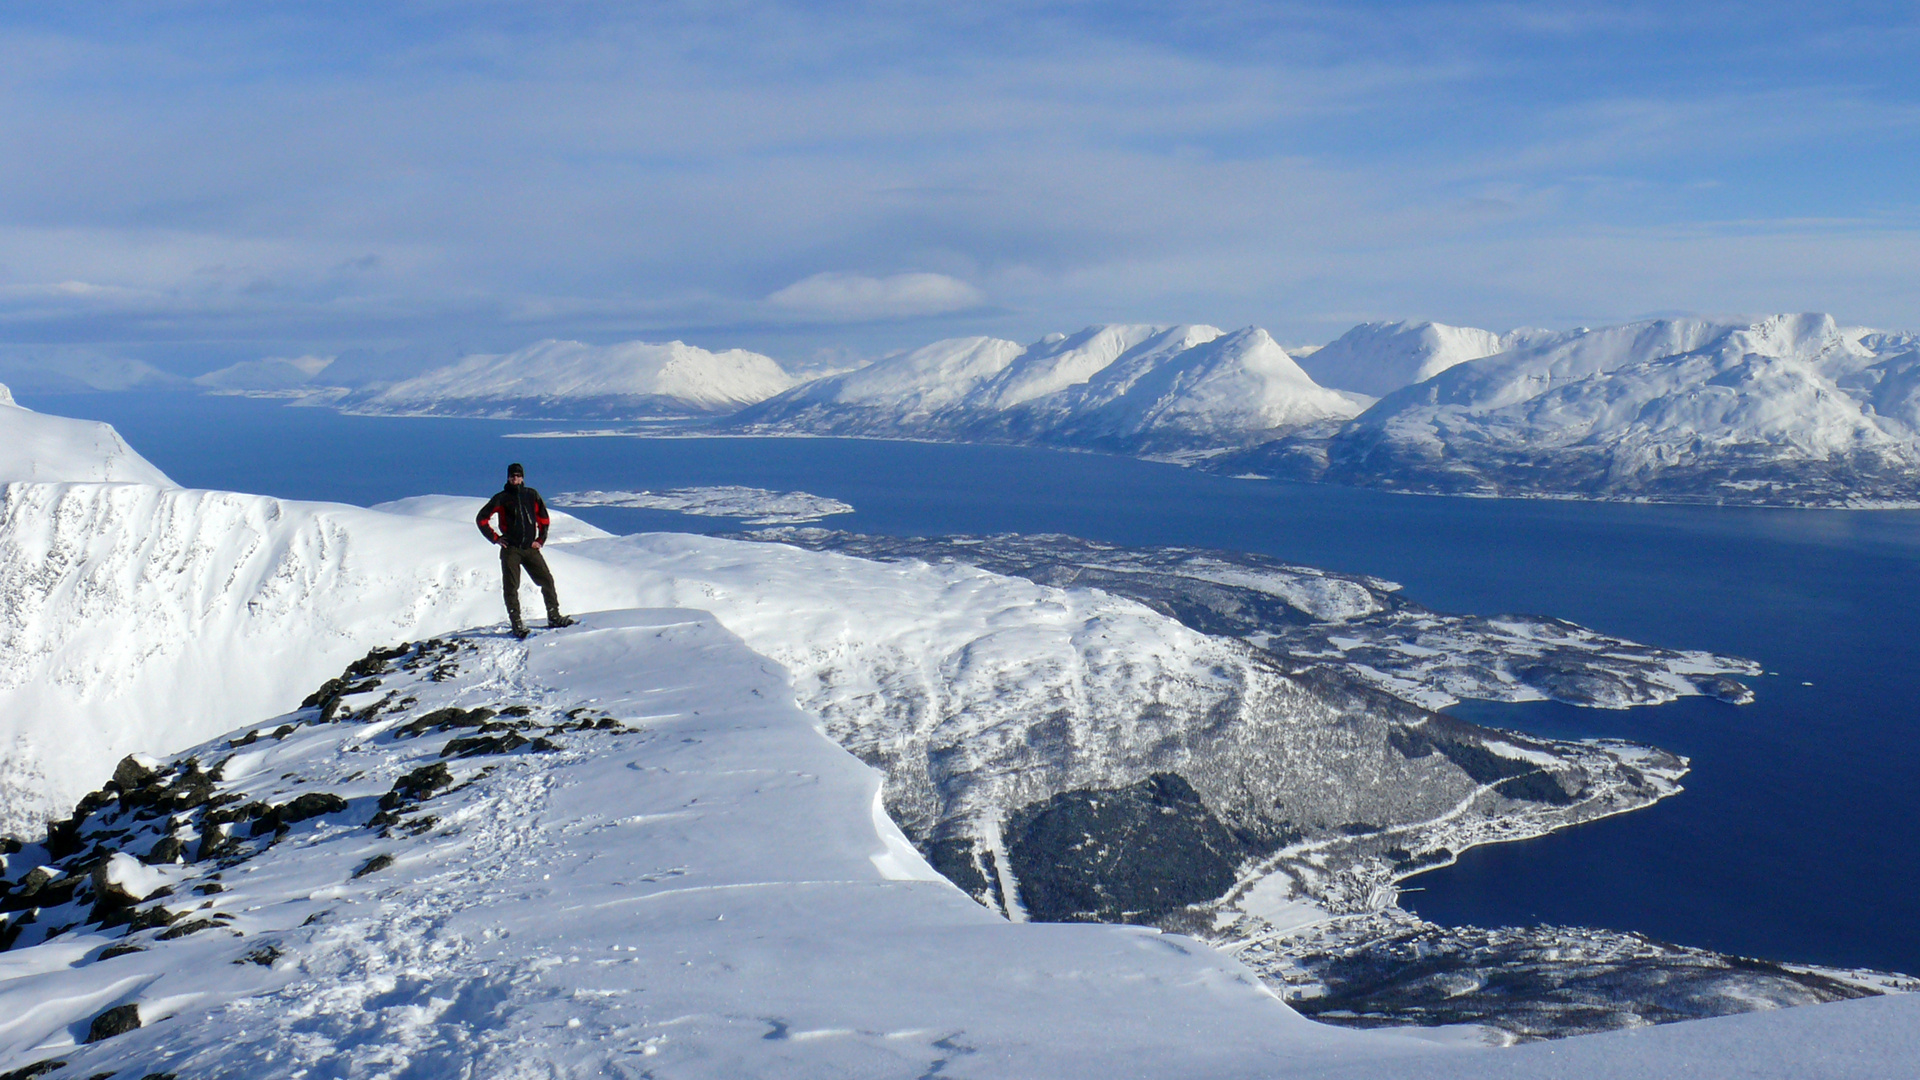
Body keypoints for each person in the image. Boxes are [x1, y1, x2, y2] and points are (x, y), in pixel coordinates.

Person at [476, 462, 576, 637]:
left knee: (547, 580)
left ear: (522, 477)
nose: (515, 479)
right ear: (508, 477)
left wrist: (540, 539)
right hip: (511, 549)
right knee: (511, 587)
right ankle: (517, 624)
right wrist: (496, 538)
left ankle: (554, 616)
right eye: (512, 476)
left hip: (530, 549)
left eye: (518, 476)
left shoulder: (531, 495)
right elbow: (482, 519)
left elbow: (543, 519)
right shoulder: (502, 498)